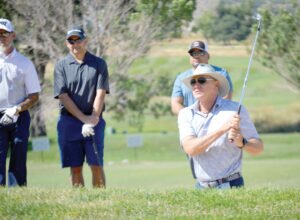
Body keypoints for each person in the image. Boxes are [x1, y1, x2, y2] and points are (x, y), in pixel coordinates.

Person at [178, 63, 263, 189]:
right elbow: (191, 149)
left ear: (216, 84)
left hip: (231, 185)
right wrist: (223, 129)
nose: (196, 85)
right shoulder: (186, 114)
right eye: (193, 82)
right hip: (200, 187)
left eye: (201, 80)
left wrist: (242, 143)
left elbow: (258, 148)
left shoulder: (235, 110)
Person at [53, 26, 109, 188]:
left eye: (78, 40)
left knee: (96, 165)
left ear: (86, 41)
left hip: (94, 119)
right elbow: (63, 96)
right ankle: (80, 202)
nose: (75, 44)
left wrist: (92, 119)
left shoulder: (99, 63)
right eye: (71, 41)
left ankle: (100, 202)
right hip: (69, 121)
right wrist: (83, 119)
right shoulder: (61, 65)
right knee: (75, 167)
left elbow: (101, 93)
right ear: (66, 43)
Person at [0, 18, 41, 186]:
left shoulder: (25, 63)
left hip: (19, 116)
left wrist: (15, 110)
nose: (1, 37)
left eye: (5, 33)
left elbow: (34, 95)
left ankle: (17, 189)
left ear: (13, 35)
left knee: (19, 152)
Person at [171, 40, 233, 115]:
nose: (197, 56)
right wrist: (189, 117)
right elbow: (175, 104)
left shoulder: (220, 74)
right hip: (191, 123)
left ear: (208, 56)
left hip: (215, 119)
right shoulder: (181, 78)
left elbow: (226, 99)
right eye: (193, 53)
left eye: (201, 52)